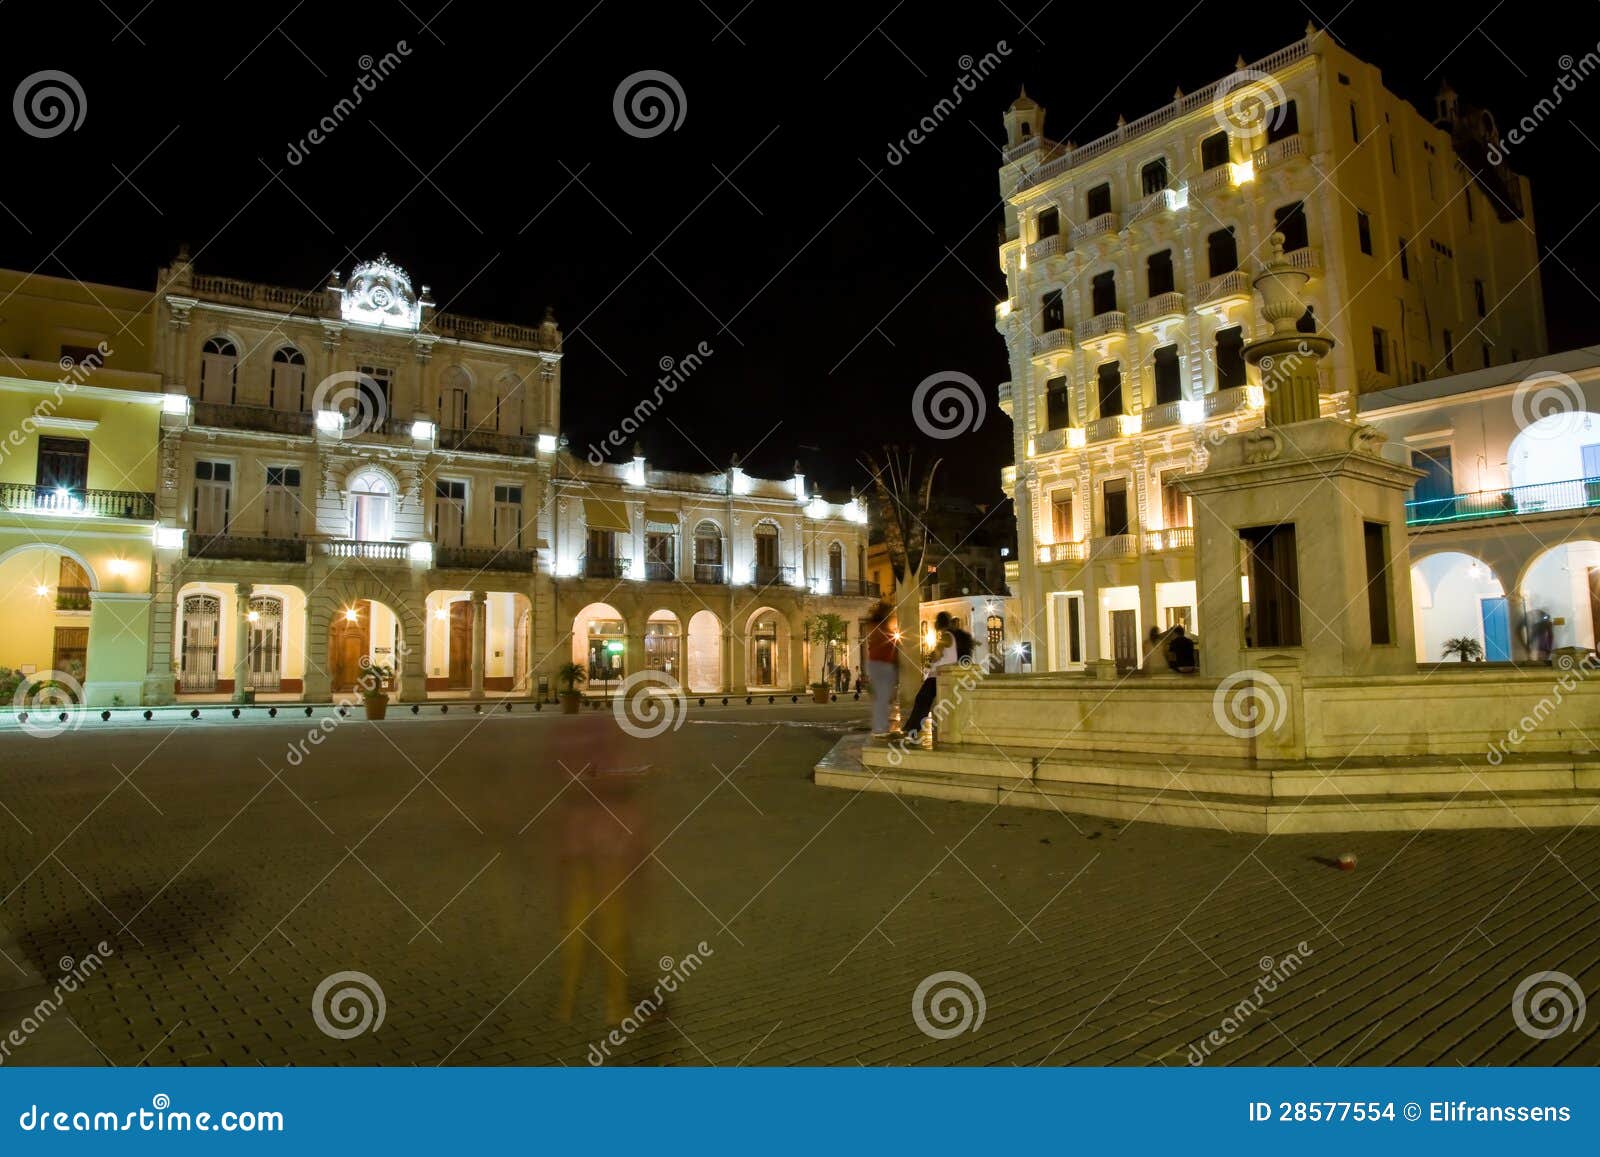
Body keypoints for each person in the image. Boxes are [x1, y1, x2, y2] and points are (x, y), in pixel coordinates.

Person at [904, 612, 972, 739]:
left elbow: (938, 654)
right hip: (943, 675)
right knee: (927, 701)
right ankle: (913, 728)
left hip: (937, 675)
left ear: (939, 623)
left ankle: (912, 729)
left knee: (922, 699)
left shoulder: (946, 636)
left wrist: (931, 657)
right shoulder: (952, 636)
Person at [864, 603, 898, 737]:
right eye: (891, 613)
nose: (893, 616)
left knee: (882, 698)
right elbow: (883, 643)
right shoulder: (879, 627)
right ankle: (880, 728)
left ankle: (881, 727)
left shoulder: (875, 626)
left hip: (877, 663)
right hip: (882, 664)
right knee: (882, 698)